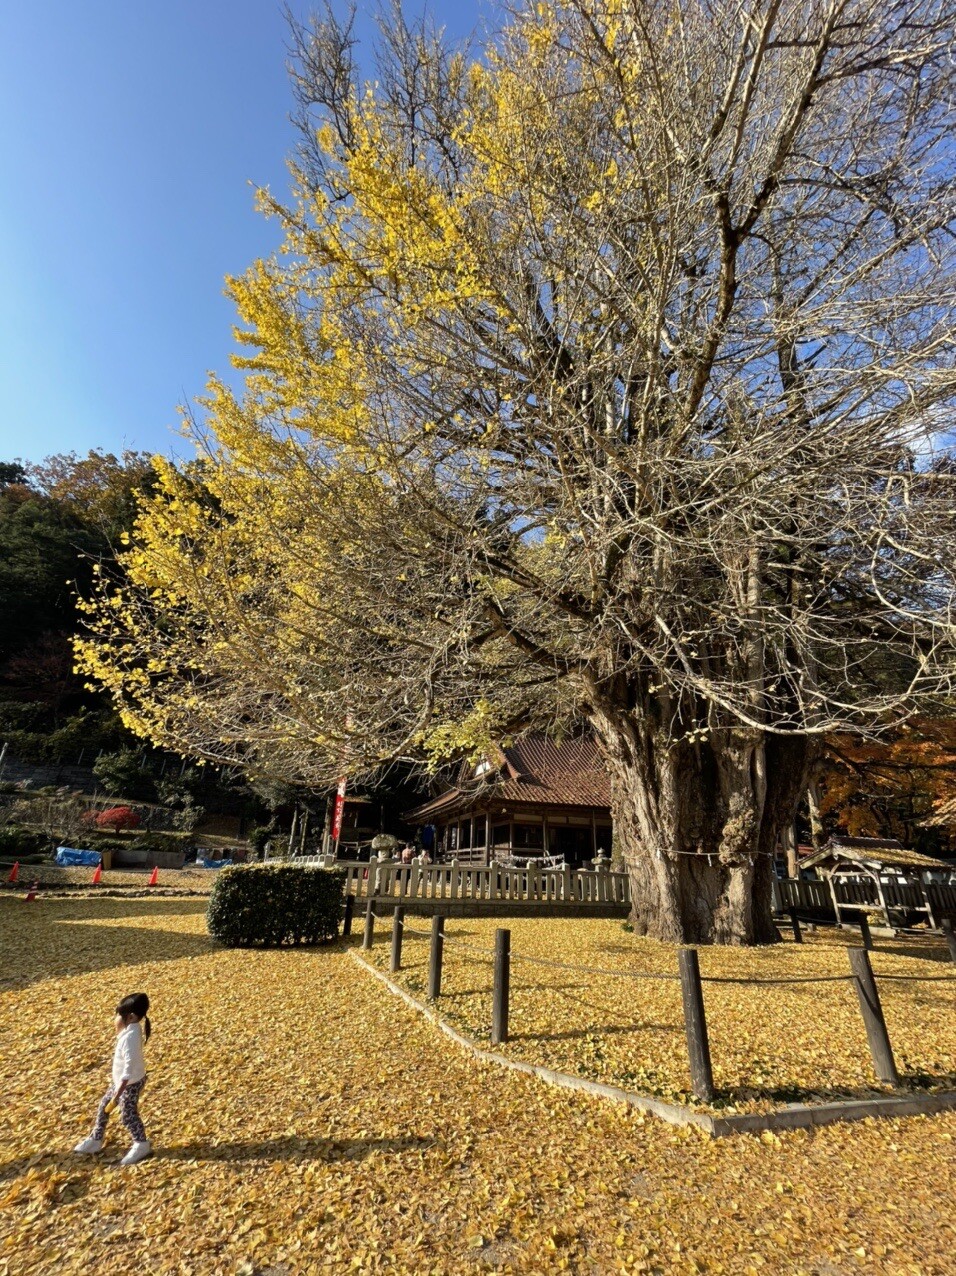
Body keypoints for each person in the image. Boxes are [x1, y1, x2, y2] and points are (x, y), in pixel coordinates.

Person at [74, 992, 152, 1165]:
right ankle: (95, 1139)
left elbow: (129, 1066)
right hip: (120, 1082)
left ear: (130, 1017)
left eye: (118, 1015)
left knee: (127, 1114)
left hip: (129, 1084)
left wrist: (119, 1092)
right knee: (104, 1107)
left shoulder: (130, 1037)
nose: (115, 1019)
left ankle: (142, 1144)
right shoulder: (131, 1029)